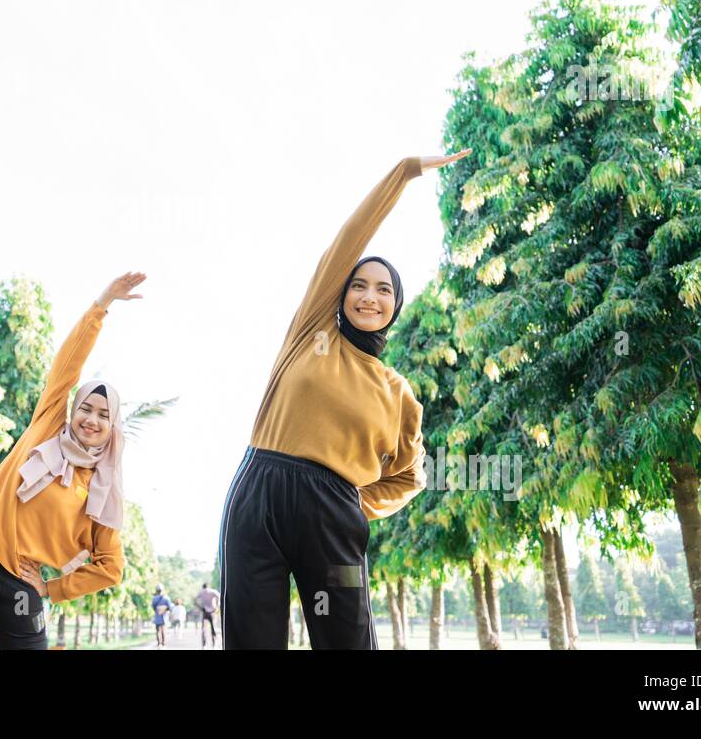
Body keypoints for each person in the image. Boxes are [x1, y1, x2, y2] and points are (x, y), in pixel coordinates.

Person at [217, 152, 470, 649]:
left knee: (347, 641)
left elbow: (411, 476)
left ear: (395, 306)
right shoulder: (310, 331)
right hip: (258, 494)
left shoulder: (397, 391)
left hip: (334, 511)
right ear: (341, 294)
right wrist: (405, 171)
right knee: (250, 640)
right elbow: (348, 241)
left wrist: (355, 502)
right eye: (358, 285)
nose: (368, 296)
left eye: (383, 289)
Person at [0, 272, 146, 649]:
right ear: (73, 409)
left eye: (103, 415)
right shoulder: (47, 428)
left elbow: (111, 568)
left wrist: (52, 587)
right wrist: (101, 305)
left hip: (20, 578)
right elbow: (69, 364)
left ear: (113, 427)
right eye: (85, 408)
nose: (91, 420)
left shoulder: (102, 489)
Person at [195, 582, 220, 648]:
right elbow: (219, 596)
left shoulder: (201, 592)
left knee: (204, 629)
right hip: (213, 612)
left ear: (203, 587)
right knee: (213, 628)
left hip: (205, 612)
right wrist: (217, 605)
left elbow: (195, 600)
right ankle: (214, 644)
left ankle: (204, 645)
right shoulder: (213, 591)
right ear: (208, 586)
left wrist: (200, 607)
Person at [151, 584, 172, 649]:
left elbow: (153, 607)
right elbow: (170, 607)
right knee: (163, 630)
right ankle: (163, 644)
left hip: (157, 616)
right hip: (164, 616)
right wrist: (164, 609)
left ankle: (159, 644)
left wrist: (158, 610)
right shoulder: (166, 598)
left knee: (158, 631)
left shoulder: (154, 598)